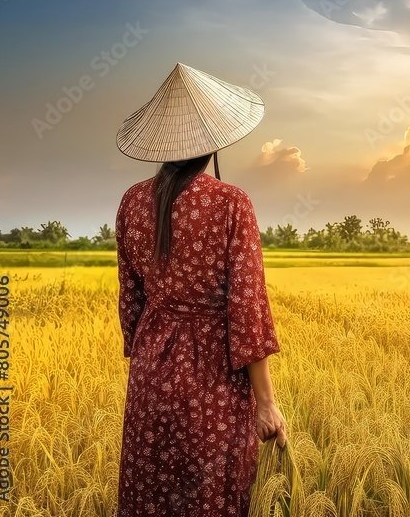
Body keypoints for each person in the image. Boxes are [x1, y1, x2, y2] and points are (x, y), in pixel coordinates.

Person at [113, 63, 285, 515]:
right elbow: (247, 309)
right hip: (212, 379)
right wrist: (266, 404)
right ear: (212, 140)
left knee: (149, 495)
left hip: (150, 374)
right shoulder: (231, 203)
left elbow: (131, 304)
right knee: (211, 497)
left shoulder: (131, 201)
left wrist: (151, 349)